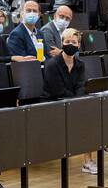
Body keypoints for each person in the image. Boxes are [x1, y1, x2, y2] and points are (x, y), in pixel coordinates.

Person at [41, 27, 98, 173]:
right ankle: (90, 160)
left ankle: (91, 160)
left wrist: (78, 103)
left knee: (94, 112)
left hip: (73, 103)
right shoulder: (52, 65)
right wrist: (77, 104)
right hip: (54, 105)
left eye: (74, 42)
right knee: (86, 117)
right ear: (62, 43)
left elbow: (81, 86)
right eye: (67, 41)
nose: (70, 44)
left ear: (78, 45)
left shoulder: (80, 64)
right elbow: (57, 91)